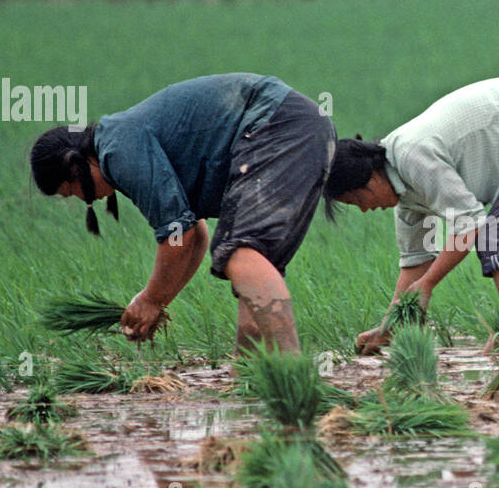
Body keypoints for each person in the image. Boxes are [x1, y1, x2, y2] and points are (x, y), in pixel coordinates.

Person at [29, 73, 335, 354]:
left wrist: (151, 299)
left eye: (72, 192)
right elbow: (195, 234)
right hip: (303, 126)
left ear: (75, 167)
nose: (86, 200)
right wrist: (158, 301)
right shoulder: (119, 141)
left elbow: (179, 234)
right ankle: (251, 376)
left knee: (239, 253)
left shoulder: (117, 151)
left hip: (277, 125)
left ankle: (293, 372)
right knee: (251, 266)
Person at [325, 77, 499, 354]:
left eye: (356, 200)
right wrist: (390, 326)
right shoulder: (409, 200)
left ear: (370, 179)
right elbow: (416, 262)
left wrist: (429, 284)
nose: (363, 209)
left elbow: (469, 225)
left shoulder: (412, 157)